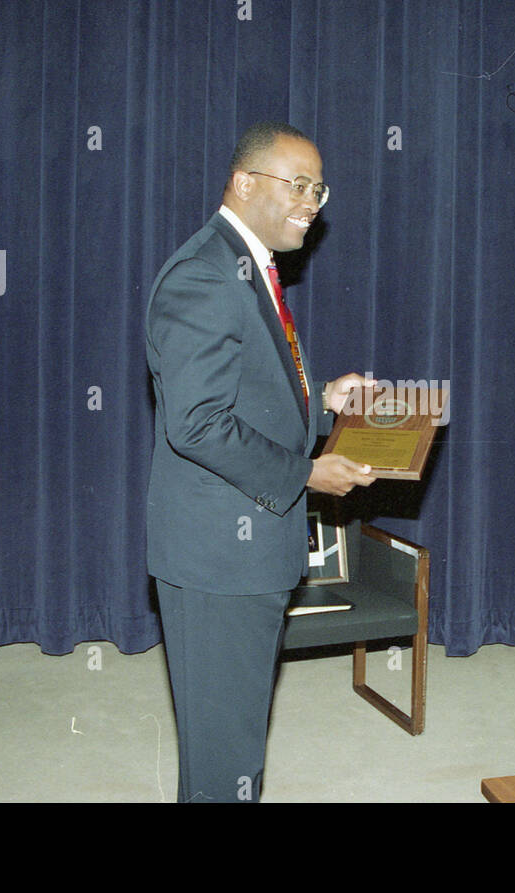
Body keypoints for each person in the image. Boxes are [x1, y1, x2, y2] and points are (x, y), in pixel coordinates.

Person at [145, 121, 375, 802]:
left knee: (230, 743)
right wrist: (306, 473)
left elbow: (245, 395)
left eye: (318, 188)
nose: (311, 201)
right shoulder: (205, 275)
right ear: (244, 183)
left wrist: (325, 405)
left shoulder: (244, 264)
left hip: (239, 551)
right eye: (296, 184)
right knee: (227, 756)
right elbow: (197, 423)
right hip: (218, 558)